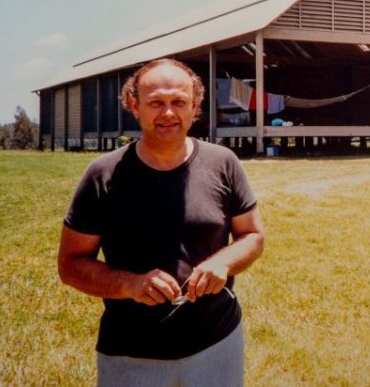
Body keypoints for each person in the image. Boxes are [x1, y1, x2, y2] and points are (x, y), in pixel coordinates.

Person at [57, 58, 265, 387]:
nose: (168, 113)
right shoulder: (103, 175)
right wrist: (130, 285)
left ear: (195, 106)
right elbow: (70, 264)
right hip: (131, 355)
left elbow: (252, 235)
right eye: (156, 103)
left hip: (217, 345)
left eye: (179, 102)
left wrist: (222, 263)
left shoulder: (223, 163)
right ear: (134, 106)